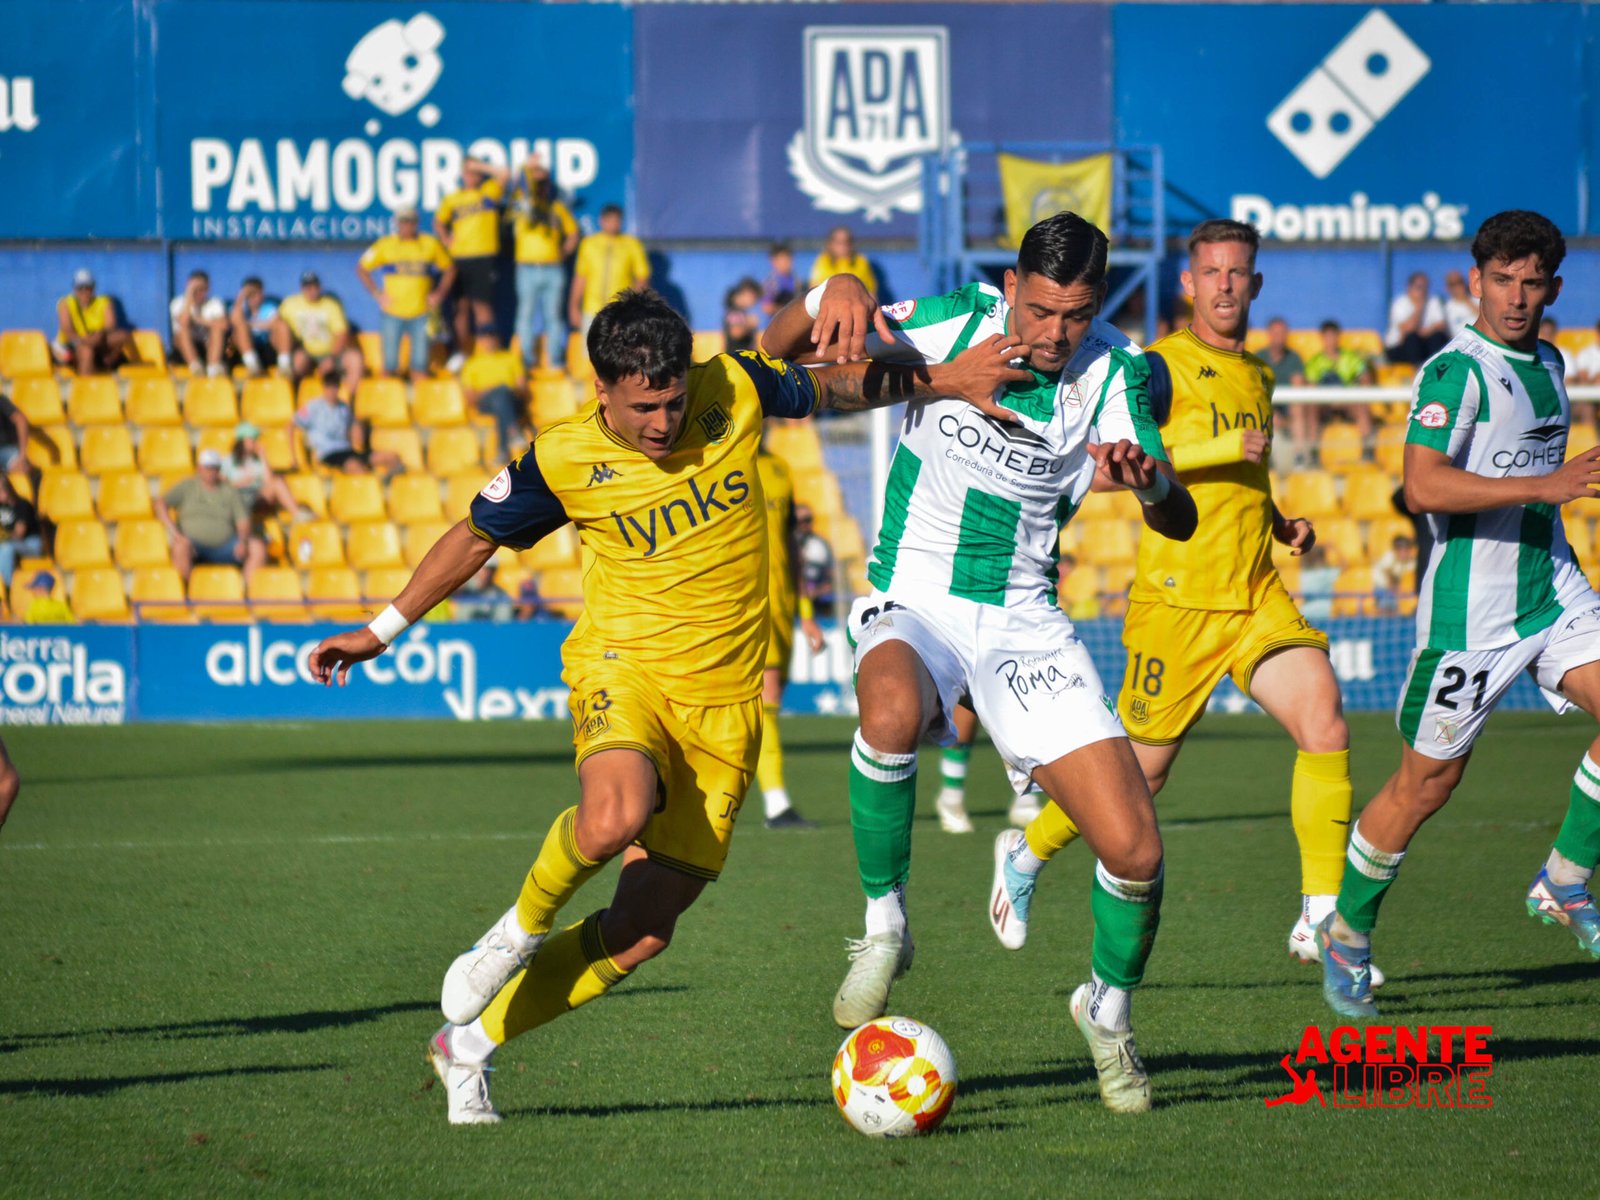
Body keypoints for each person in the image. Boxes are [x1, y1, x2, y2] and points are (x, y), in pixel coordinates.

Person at [306, 287, 1023, 1125]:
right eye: (644, 406)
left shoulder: (733, 389)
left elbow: (837, 385)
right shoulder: (563, 458)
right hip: (627, 670)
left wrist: (920, 363)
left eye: (675, 399)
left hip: (724, 707)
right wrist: (380, 630)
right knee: (613, 814)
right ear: (603, 390)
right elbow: (475, 536)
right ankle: (513, 933)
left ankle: (465, 1050)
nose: (664, 421)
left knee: (644, 930)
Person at [763, 211, 1199, 1114]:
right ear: (1011, 287)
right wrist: (824, 298)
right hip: (913, 594)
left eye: (1075, 315)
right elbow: (783, 373)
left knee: (1136, 847)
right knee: (887, 714)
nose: (1053, 333)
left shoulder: (1114, 372)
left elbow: (1177, 515)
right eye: (1040, 310)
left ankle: (1105, 1014)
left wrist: (1149, 478)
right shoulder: (954, 320)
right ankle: (886, 928)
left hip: (1024, 621)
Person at [993, 217, 1373, 988]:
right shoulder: (1156, 369)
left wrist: (1278, 518)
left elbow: (1249, 480)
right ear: (1190, 284)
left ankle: (1318, 915)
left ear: (1256, 284)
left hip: (1255, 594)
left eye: (1240, 272)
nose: (1226, 284)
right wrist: (1222, 450)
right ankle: (1027, 851)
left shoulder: (1259, 374)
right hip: (1179, 602)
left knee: (1325, 719)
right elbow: (1113, 463)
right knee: (1139, 781)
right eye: (1213, 272)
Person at [1318, 210, 1600, 1019]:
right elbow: (1424, 487)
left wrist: (1546, 500)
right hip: (1467, 618)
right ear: (1476, 281)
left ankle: (1565, 879)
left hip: (1552, 588)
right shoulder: (1453, 373)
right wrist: (1540, 488)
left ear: (1554, 287)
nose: (1517, 296)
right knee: (1424, 785)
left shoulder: (1548, 360)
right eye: (1502, 280)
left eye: (1532, 281)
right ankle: (1347, 930)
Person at [754, 432, 824, 829]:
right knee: (762, 697)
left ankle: (772, 800)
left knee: (767, 700)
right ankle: (775, 803)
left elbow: (789, 543)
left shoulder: (780, 469)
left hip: (779, 604)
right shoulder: (719, 461)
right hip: (738, 603)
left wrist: (806, 612)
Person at [358, 207, 455, 379]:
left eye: (410, 222)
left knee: (419, 366)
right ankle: (388, 404)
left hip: (422, 313)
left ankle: (421, 403)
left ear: (416, 223)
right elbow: (362, 268)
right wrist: (377, 293)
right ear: (397, 224)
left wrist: (439, 293)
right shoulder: (385, 245)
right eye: (403, 222)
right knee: (389, 366)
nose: (406, 226)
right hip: (392, 312)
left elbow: (450, 269)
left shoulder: (429, 243)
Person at [435, 156, 510, 367]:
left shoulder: (488, 192)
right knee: (461, 306)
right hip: (459, 257)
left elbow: (505, 173)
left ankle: (489, 352)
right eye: (468, 172)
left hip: (483, 256)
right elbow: (439, 221)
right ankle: (461, 352)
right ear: (461, 175)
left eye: (475, 173)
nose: (472, 176)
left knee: (482, 305)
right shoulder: (452, 199)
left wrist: (478, 165)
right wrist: (446, 238)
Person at [155, 449, 267, 584]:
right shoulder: (187, 486)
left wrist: (242, 541)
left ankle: (248, 592)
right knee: (180, 547)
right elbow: (161, 503)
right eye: (207, 467)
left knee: (257, 547)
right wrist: (174, 531)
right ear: (199, 468)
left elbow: (243, 521)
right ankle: (185, 594)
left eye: (215, 468)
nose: (211, 472)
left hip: (225, 546)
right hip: (194, 546)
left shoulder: (229, 491)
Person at [509, 157, 579, 371]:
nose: (540, 187)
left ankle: (555, 360)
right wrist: (528, 167)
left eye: (544, 183)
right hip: (527, 268)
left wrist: (565, 251)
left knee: (554, 316)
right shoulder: (523, 204)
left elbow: (573, 233)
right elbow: (516, 181)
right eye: (536, 183)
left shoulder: (557, 208)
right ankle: (527, 360)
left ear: (549, 185)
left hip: (552, 268)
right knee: (525, 315)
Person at [569, 204, 651, 340]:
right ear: (601, 221)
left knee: (621, 352)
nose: (613, 224)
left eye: (616, 220)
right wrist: (574, 306)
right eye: (609, 220)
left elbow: (642, 278)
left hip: (621, 310)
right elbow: (580, 277)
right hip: (592, 309)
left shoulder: (631, 244)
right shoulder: (589, 244)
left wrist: (637, 307)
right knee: (592, 353)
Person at [294, 369, 397, 476]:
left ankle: (388, 484)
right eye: (329, 387)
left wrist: (358, 429)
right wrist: (294, 457)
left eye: (335, 387)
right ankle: (371, 488)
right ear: (324, 388)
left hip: (347, 450)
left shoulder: (344, 408)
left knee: (391, 457)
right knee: (355, 466)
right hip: (328, 454)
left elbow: (354, 434)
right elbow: (290, 426)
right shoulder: (313, 407)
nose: (332, 391)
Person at [273, 272, 365, 387]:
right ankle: (290, 396)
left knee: (355, 359)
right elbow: (276, 324)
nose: (312, 290)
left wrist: (332, 357)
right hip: (305, 353)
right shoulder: (290, 303)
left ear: (320, 287)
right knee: (298, 361)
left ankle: (351, 399)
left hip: (330, 353)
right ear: (302, 288)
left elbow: (342, 333)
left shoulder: (331, 305)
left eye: (315, 286)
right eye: (308, 287)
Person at [1304, 319, 1375, 443]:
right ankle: (1312, 449)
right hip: (1324, 403)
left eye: (1333, 336)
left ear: (1338, 337)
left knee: (1361, 407)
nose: (1330, 340)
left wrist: (1357, 385)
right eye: (1327, 336)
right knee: (1311, 408)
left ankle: (1367, 448)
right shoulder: (1315, 361)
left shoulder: (1350, 357)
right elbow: (1311, 386)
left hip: (1347, 401)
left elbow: (1365, 376)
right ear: (1323, 338)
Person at [460, 333, 530, 458]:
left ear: (497, 339)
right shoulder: (472, 363)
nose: (489, 341)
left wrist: (505, 391)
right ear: (480, 341)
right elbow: (470, 399)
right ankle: (512, 433)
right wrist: (492, 390)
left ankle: (503, 450)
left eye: (492, 337)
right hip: (486, 402)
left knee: (502, 400)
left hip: (510, 398)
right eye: (486, 338)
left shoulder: (511, 358)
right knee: (501, 395)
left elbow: (522, 388)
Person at [53, 270, 130, 374]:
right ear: (75, 290)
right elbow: (67, 330)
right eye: (80, 288)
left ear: (93, 288)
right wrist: (87, 341)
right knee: (86, 351)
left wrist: (99, 335)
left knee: (123, 335)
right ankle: (87, 386)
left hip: (97, 341)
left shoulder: (103, 302)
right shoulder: (66, 304)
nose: (84, 292)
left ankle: (106, 362)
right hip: (72, 345)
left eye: (87, 287)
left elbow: (111, 326)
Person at [222, 421, 300, 522]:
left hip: (257, 497)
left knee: (278, 482)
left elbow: (269, 481)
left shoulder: (257, 460)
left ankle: (298, 514)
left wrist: (263, 457)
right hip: (239, 498)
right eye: (253, 439)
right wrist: (239, 483)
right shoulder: (228, 461)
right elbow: (221, 487)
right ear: (243, 441)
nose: (256, 442)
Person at [1260, 316, 1314, 460]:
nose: (1279, 337)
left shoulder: (1294, 358)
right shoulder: (1259, 357)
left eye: (1282, 333)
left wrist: (1285, 418)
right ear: (1269, 334)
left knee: (1298, 408)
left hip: (1288, 408)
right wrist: (1270, 413)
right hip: (1266, 406)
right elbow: (1255, 389)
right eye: (1276, 333)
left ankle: (1300, 455)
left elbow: (1297, 387)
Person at [170, 269, 229, 377]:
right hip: (185, 349)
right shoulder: (178, 303)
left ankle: (213, 367)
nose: (199, 293)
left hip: (208, 346)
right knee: (182, 331)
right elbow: (184, 322)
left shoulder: (214, 303)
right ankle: (195, 366)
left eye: (202, 289)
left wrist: (199, 320)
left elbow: (224, 325)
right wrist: (189, 296)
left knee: (217, 330)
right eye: (195, 289)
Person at [1384, 272, 1449, 365]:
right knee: (1412, 338)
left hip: (1423, 344)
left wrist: (1428, 331)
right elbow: (1407, 329)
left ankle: (1438, 366)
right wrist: (1419, 308)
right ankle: (1417, 369)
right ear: (1409, 287)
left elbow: (1441, 325)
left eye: (1425, 287)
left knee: (1438, 337)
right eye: (1419, 287)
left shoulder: (1433, 301)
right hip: (1399, 347)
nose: (1422, 291)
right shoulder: (1400, 303)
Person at [808, 225, 877, 295]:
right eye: (838, 242)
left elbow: (871, 292)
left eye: (846, 241)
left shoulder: (861, 261)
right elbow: (814, 291)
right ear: (830, 244)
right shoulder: (822, 261)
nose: (843, 246)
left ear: (851, 244)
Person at [0, 474, 43, 588]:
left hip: (30, 545)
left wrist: (3, 536)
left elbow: (19, 533)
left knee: (6, 548)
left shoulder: (22, 505)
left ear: (7, 490)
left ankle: (7, 587)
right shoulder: (1, 507)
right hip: (10, 542)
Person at [230, 277, 278, 376]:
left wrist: (250, 324)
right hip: (244, 352)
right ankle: (252, 365)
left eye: (255, 293)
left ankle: (284, 364)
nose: (252, 297)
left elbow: (275, 324)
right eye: (249, 295)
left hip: (266, 349)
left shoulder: (269, 308)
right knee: (240, 329)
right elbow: (235, 322)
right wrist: (242, 297)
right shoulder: (239, 310)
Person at [794, 503, 835, 616]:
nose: (803, 524)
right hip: (792, 606)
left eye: (807, 520)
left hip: (819, 606)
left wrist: (817, 592)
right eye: (799, 521)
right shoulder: (785, 546)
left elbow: (835, 578)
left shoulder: (821, 545)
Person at [1372, 534, 1417, 615]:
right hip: (1382, 589)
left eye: (1406, 549)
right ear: (1395, 550)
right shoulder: (1389, 556)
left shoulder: (1411, 562)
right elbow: (1388, 574)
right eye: (1400, 549)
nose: (1403, 553)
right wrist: (1395, 590)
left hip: (1398, 590)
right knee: (1388, 603)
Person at [1297, 544, 1339, 623]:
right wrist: (1335, 548)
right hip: (1325, 610)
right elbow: (1345, 565)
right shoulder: (1326, 573)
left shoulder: (1304, 574)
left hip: (1307, 611)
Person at [722, 278, 763, 354]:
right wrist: (749, 325)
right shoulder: (735, 311)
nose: (755, 301)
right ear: (746, 293)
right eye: (754, 297)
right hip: (737, 359)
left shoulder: (742, 312)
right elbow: (735, 332)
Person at [0, 387, 32, 475]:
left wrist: (22, 455)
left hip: (6, 449)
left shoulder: (1, 400)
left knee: (21, 467)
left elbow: (20, 419)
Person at [761, 242, 797, 316]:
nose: (787, 262)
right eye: (783, 259)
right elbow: (766, 307)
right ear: (774, 261)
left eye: (789, 258)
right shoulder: (772, 282)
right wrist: (789, 311)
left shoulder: (794, 279)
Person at [1442, 269, 1477, 338]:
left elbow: (1488, 320)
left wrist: (1466, 300)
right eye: (1453, 284)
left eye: (1459, 282)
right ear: (1447, 288)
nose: (1457, 286)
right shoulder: (1446, 308)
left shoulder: (1477, 299)